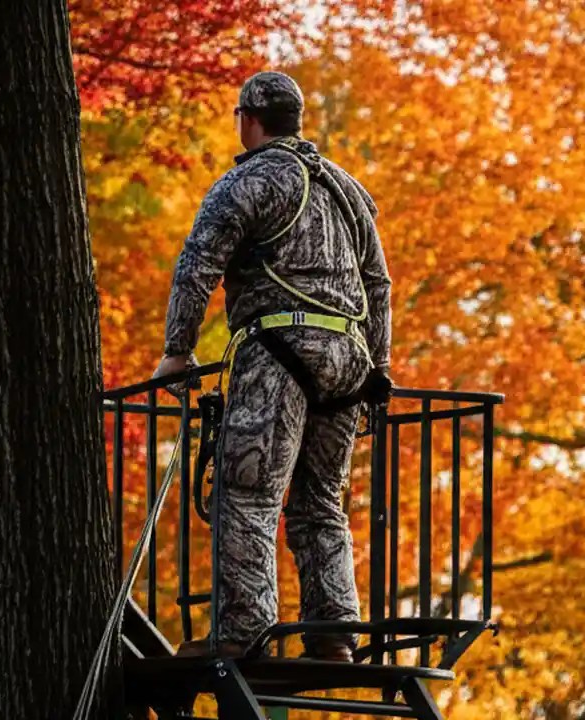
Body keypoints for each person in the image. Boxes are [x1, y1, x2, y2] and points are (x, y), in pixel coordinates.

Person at [152, 71, 392, 662]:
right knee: (320, 502)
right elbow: (378, 283)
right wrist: (380, 364)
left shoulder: (248, 182)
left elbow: (198, 262)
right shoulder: (347, 189)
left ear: (247, 120)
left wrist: (177, 351)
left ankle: (245, 636)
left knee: (247, 491)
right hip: (350, 363)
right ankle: (334, 634)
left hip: (278, 353)